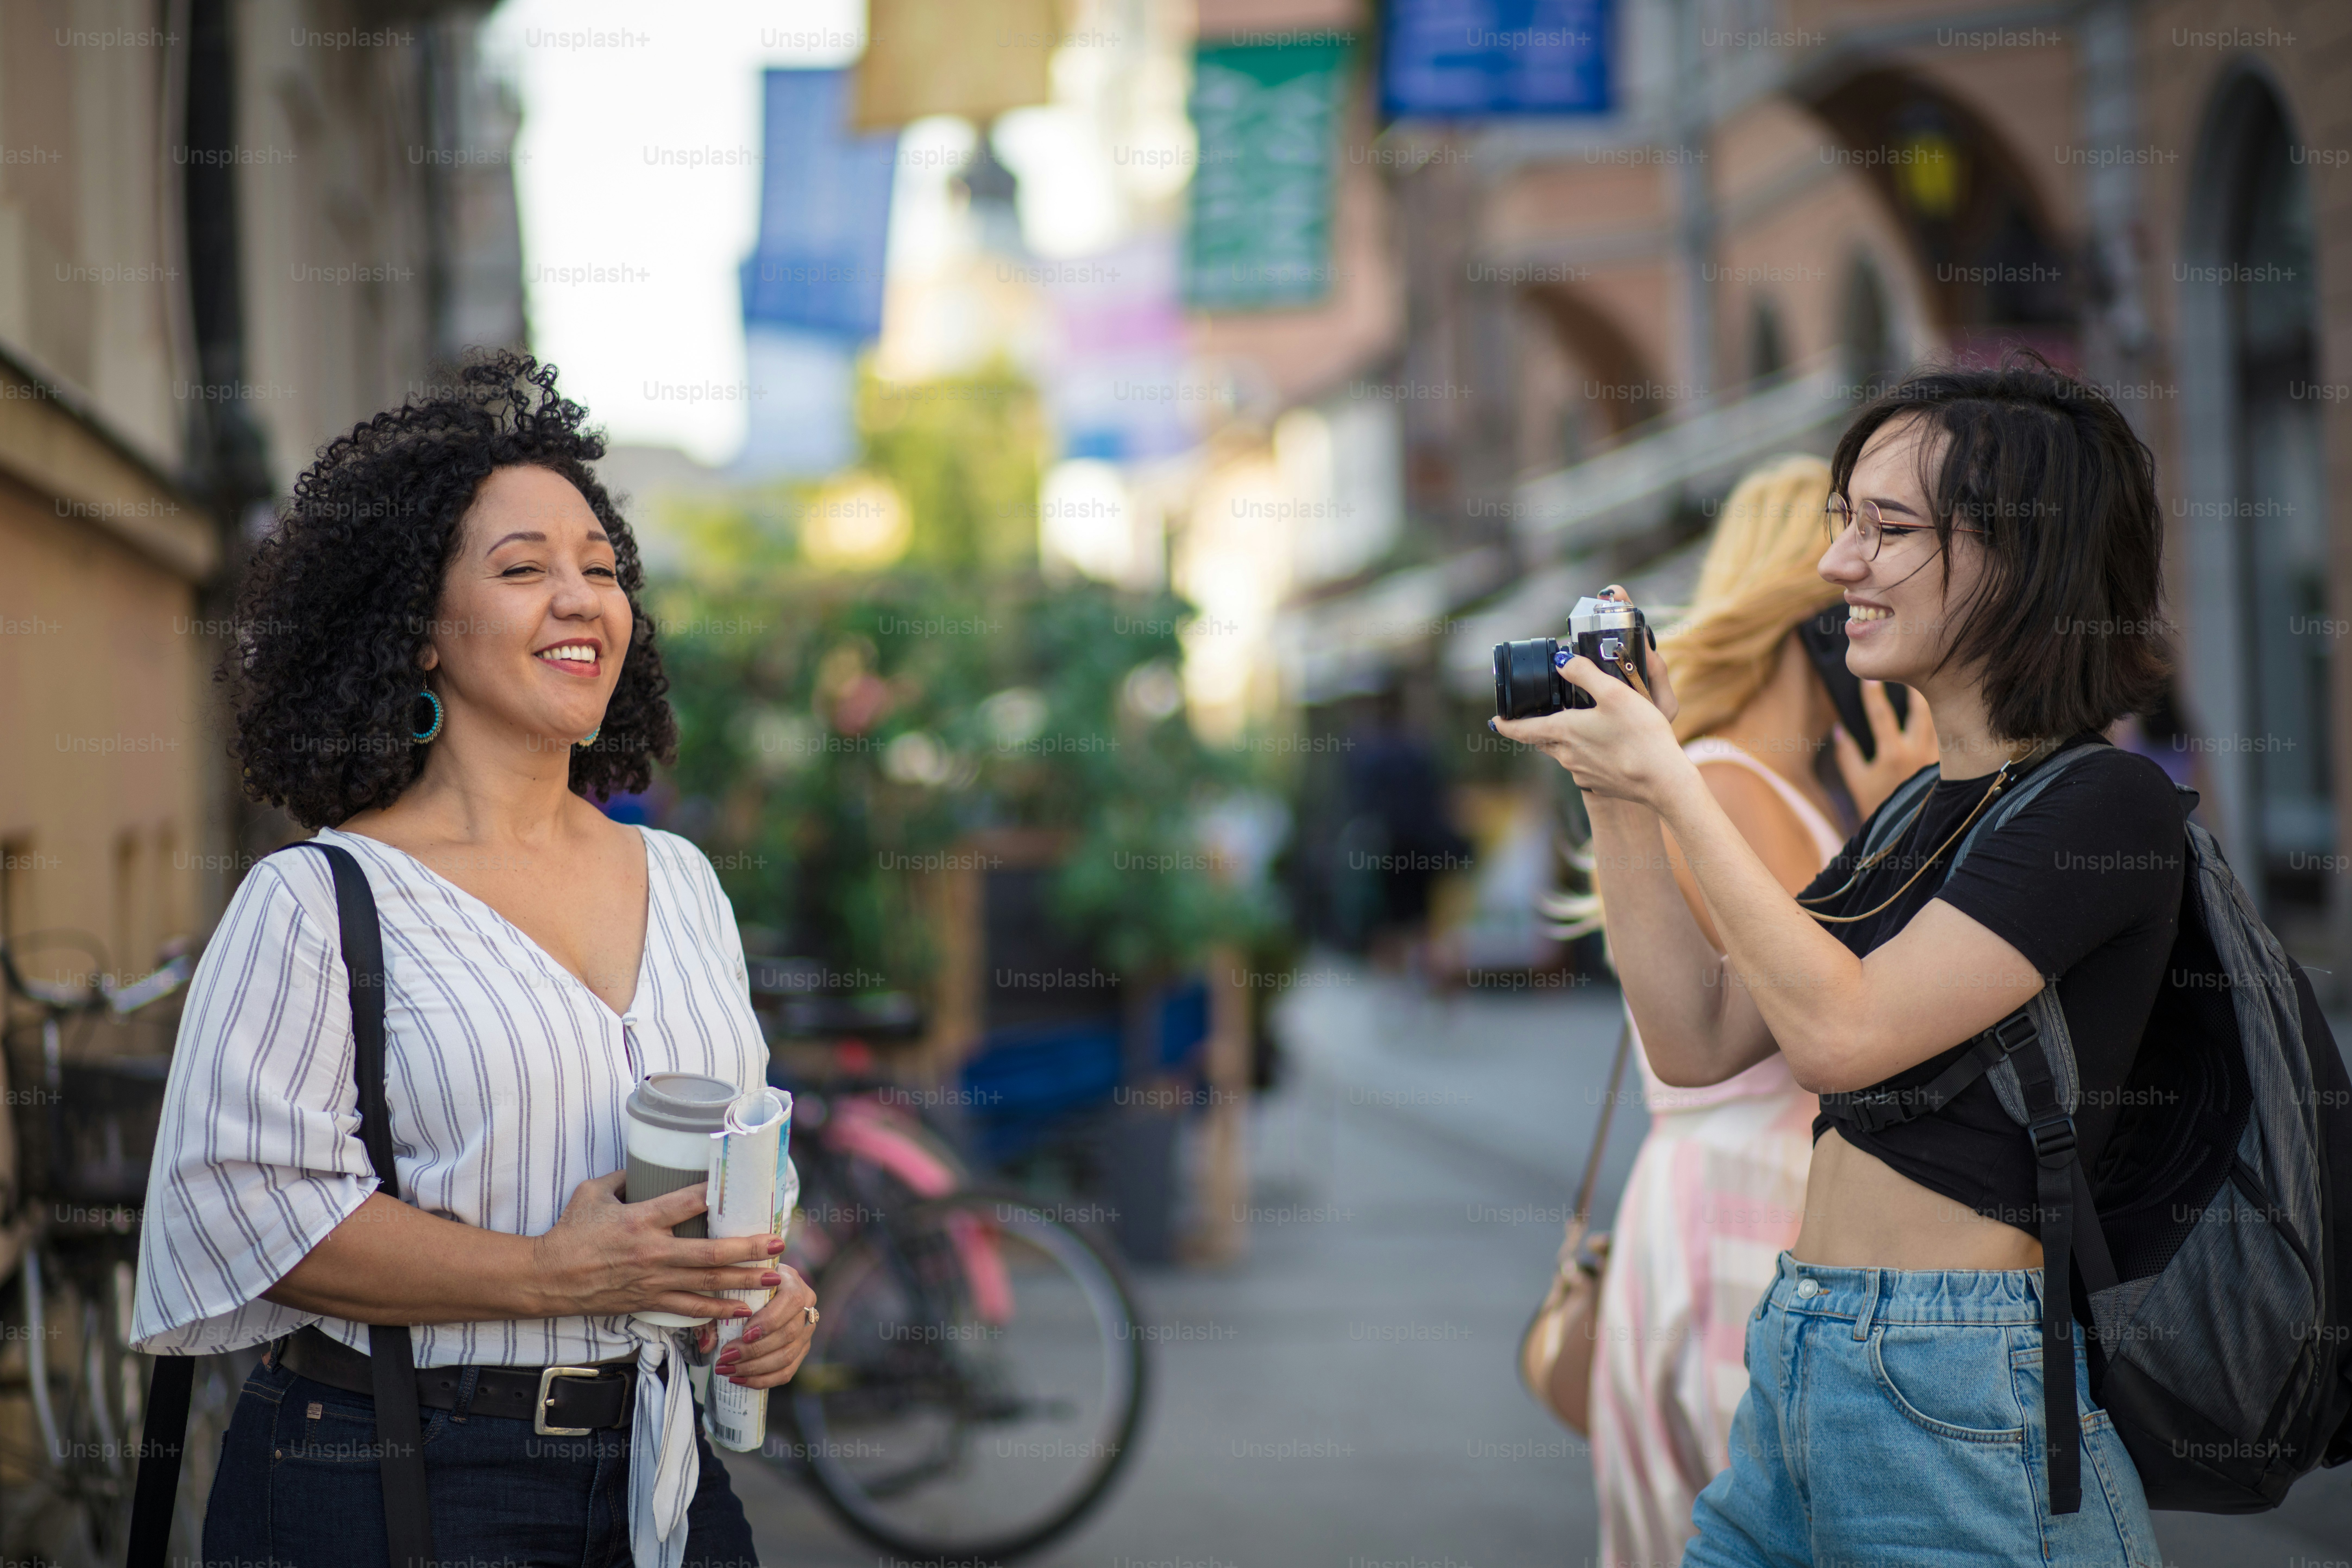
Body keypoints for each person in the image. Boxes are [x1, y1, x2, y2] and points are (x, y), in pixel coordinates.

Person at [130, 353, 815, 1567]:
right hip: (397, 1477)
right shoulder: (319, 900)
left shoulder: (685, 887)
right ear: (421, 634)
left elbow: (741, 1166)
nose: (580, 598)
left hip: (661, 1478)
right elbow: (241, 1211)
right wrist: (552, 1275)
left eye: (600, 570)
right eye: (523, 570)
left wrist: (767, 1296)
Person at [1498, 356, 2179, 1565]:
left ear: (2013, 560)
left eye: (1885, 528)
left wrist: (1671, 768)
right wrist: (1617, 794)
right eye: (1840, 523)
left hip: (1960, 1390)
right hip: (1798, 1348)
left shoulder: (2099, 809)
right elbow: (1695, 1039)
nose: (1835, 567)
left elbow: (1841, 1034)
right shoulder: (1912, 812)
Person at [1564, 455, 1936, 1568]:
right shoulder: (1727, 778)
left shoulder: (1775, 782)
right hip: (1744, 1214)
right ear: (1809, 608)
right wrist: (1904, 821)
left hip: (1751, 1205)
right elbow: (1829, 1020)